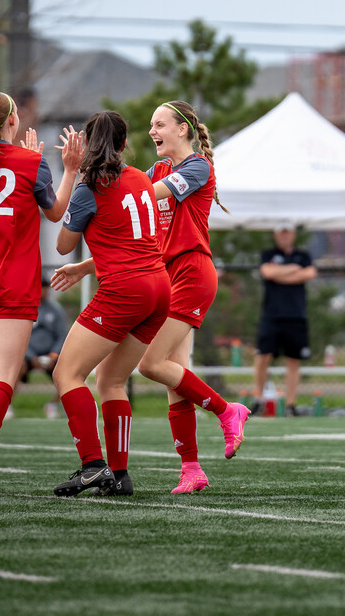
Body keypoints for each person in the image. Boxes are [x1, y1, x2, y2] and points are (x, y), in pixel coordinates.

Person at [0, 90, 83, 496]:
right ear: (11, 120)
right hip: (13, 281)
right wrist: (70, 169)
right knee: (5, 376)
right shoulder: (31, 162)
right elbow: (56, 211)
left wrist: (25, 160)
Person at [46, 110, 172, 497]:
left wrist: (73, 176)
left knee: (65, 375)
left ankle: (92, 466)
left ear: (86, 144)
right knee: (111, 380)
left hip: (124, 290)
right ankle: (119, 475)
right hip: (159, 287)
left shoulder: (89, 186)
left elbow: (63, 245)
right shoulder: (140, 177)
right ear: (123, 143)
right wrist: (89, 267)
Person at [137, 100, 251, 494]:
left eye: (159, 124)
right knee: (175, 378)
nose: (152, 131)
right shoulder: (156, 168)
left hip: (191, 272)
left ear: (182, 129)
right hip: (166, 275)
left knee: (150, 364)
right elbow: (137, 217)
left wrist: (119, 196)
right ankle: (191, 470)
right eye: (150, 125)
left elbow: (146, 197)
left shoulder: (198, 167)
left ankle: (227, 410)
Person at [252, 223, 316, 414]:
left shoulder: (303, 256)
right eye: (281, 233)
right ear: (275, 234)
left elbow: (309, 273)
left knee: (293, 360)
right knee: (263, 356)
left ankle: (290, 405)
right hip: (271, 315)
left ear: (294, 234)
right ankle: (258, 399)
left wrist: (280, 272)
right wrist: (294, 270)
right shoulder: (268, 254)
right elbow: (267, 272)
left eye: (288, 233)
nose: (285, 236)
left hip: (296, 315)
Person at [25, 278, 68, 381]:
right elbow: (18, 338)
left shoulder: (56, 310)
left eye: (46, 288)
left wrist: (53, 354)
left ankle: (58, 398)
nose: (44, 291)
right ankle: (8, 396)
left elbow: (62, 336)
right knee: (15, 367)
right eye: (41, 288)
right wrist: (30, 356)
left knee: (65, 371)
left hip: (51, 355)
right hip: (29, 355)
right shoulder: (26, 308)